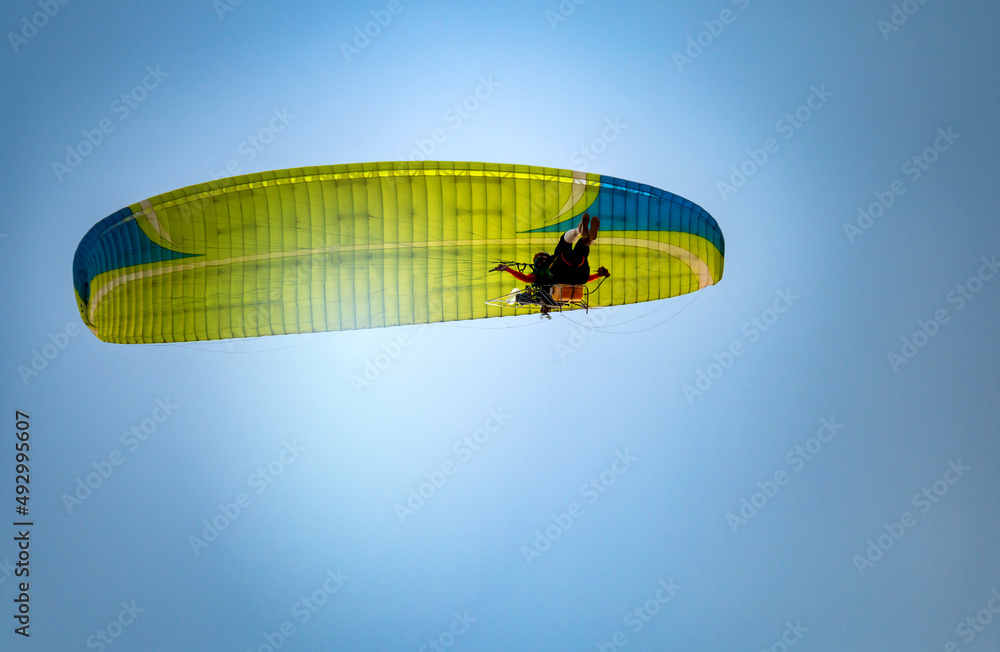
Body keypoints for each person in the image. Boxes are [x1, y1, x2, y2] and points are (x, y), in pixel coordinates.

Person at [496, 213, 609, 285]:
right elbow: (527, 279)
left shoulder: (538, 273)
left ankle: (585, 235)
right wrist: (507, 269)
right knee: (566, 241)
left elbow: (527, 279)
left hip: (580, 275)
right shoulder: (544, 266)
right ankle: (581, 232)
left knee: (581, 248)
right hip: (566, 268)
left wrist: (598, 275)